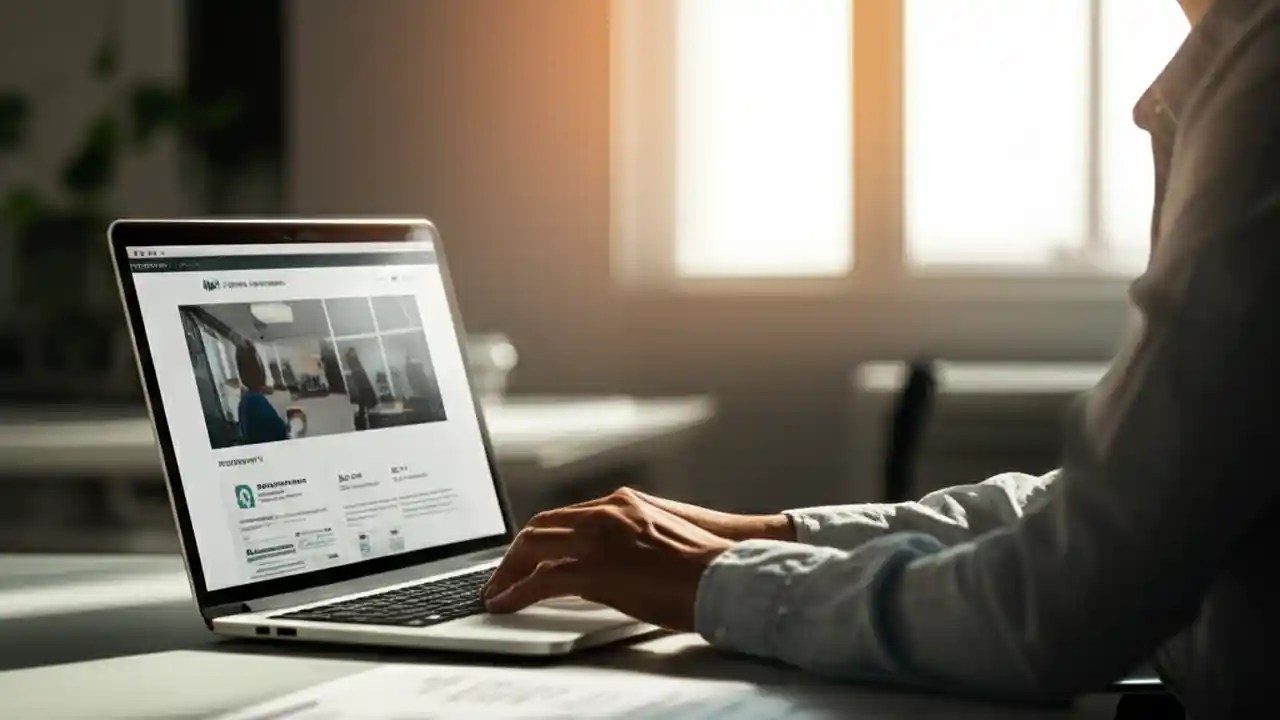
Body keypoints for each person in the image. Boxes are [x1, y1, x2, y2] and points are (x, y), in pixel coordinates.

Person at [481, 0, 1280, 716]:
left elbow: (1065, 603)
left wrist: (713, 580)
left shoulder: (1263, 82)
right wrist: (770, 535)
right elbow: (1130, 513)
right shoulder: (1235, 63)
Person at [234, 343, 289, 445]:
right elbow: (279, 431)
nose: (263, 368)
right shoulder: (256, 400)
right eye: (259, 362)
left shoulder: (245, 401)